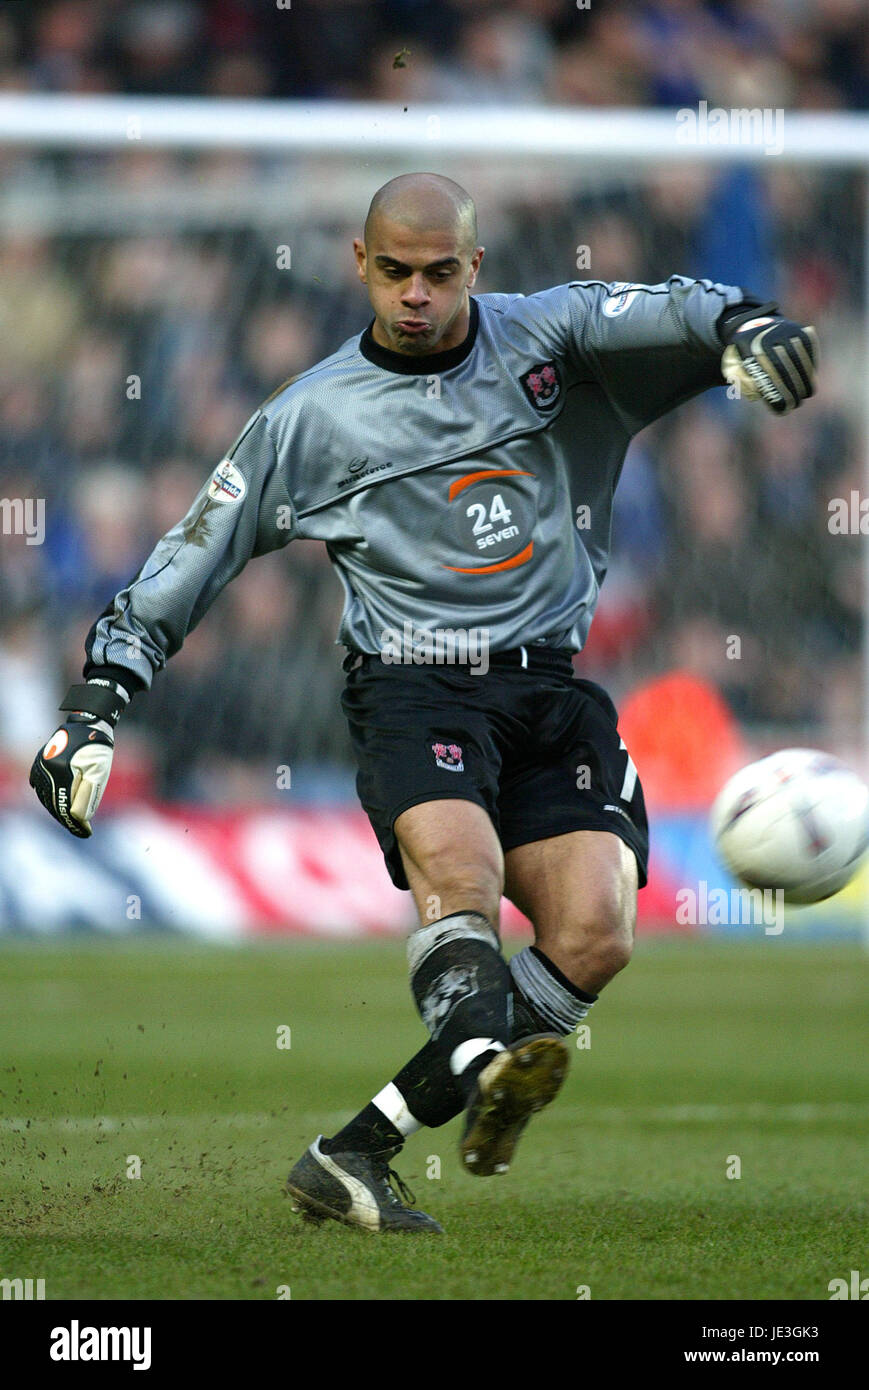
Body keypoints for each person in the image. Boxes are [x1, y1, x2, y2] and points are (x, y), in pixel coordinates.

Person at [30, 173, 818, 1234]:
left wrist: (747, 325)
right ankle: (488, 1057)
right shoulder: (308, 418)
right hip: (411, 685)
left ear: (474, 268)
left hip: (547, 686)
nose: (414, 294)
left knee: (593, 938)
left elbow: (678, 305)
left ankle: (354, 1152)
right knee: (462, 876)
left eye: (438, 273)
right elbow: (189, 561)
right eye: (394, 272)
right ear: (359, 265)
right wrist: (94, 704)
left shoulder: (555, 340)